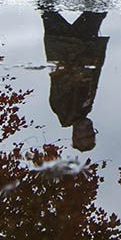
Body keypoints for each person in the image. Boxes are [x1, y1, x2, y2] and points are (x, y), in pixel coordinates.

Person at [42, 8, 110, 151]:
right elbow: (92, 77)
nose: (89, 131)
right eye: (91, 134)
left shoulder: (65, 110)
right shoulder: (84, 109)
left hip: (69, 47)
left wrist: (80, 66)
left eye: (84, 135)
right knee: (96, 6)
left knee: (96, 6)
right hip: (80, 47)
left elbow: (61, 78)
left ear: (74, 135)